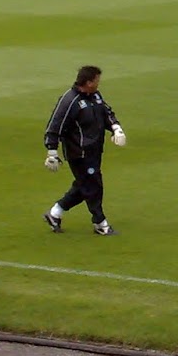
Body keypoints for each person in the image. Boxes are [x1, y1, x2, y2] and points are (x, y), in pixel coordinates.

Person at [42, 64, 126, 235]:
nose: (99, 83)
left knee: (85, 184)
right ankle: (100, 223)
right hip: (79, 152)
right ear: (88, 82)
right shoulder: (69, 100)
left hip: (94, 149)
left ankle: (55, 213)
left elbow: (106, 112)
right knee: (93, 185)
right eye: (96, 80)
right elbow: (55, 125)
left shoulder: (94, 95)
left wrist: (116, 128)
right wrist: (52, 151)